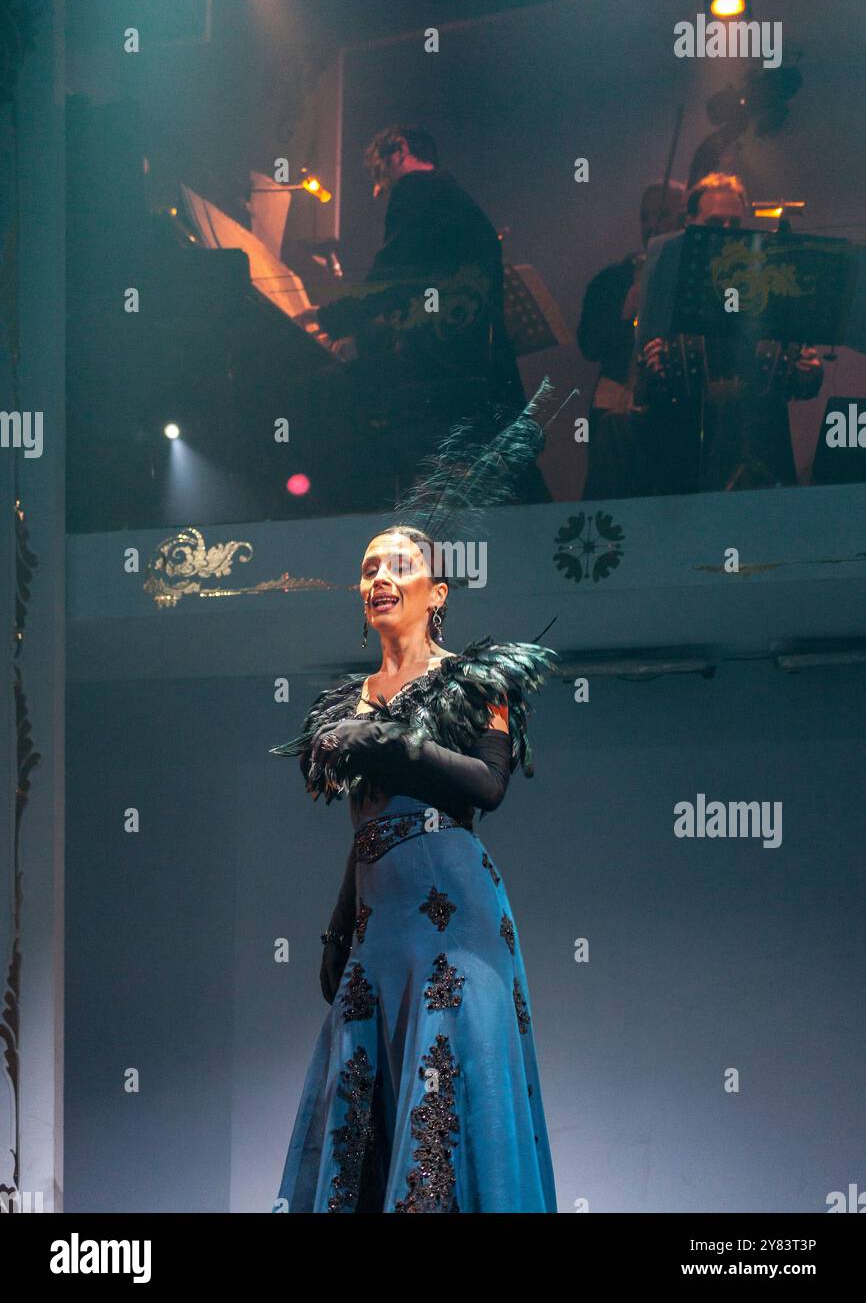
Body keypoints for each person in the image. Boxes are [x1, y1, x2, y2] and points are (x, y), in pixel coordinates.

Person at [270, 525, 558, 1213]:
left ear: (437, 593)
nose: (379, 578)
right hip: (380, 925)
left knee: (451, 1086)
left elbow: (488, 786)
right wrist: (339, 928)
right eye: (369, 567)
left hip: (455, 915)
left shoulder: (478, 680)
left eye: (398, 565)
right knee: (368, 1095)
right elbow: (367, 826)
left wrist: (398, 743)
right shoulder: (347, 705)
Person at [298, 125, 547, 508]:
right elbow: (419, 294)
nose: (379, 190)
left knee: (322, 393)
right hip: (472, 366)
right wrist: (364, 338)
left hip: (439, 368)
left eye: (379, 174)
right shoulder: (450, 197)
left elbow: (391, 278)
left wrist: (326, 317)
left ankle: (346, 521)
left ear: (399, 150)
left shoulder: (417, 189)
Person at [639, 172, 824, 492]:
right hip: (684, 457)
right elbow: (649, 386)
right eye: (714, 223)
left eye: (734, 225)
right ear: (690, 222)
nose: (726, 233)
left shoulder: (770, 285)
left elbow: (803, 383)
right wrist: (656, 365)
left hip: (763, 454)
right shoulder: (667, 281)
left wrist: (808, 370)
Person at [577, 180, 686, 499]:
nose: (652, 225)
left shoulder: (689, 276)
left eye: (664, 215)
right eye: (646, 216)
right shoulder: (612, 279)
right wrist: (624, 314)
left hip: (672, 408)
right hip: (614, 398)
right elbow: (589, 346)